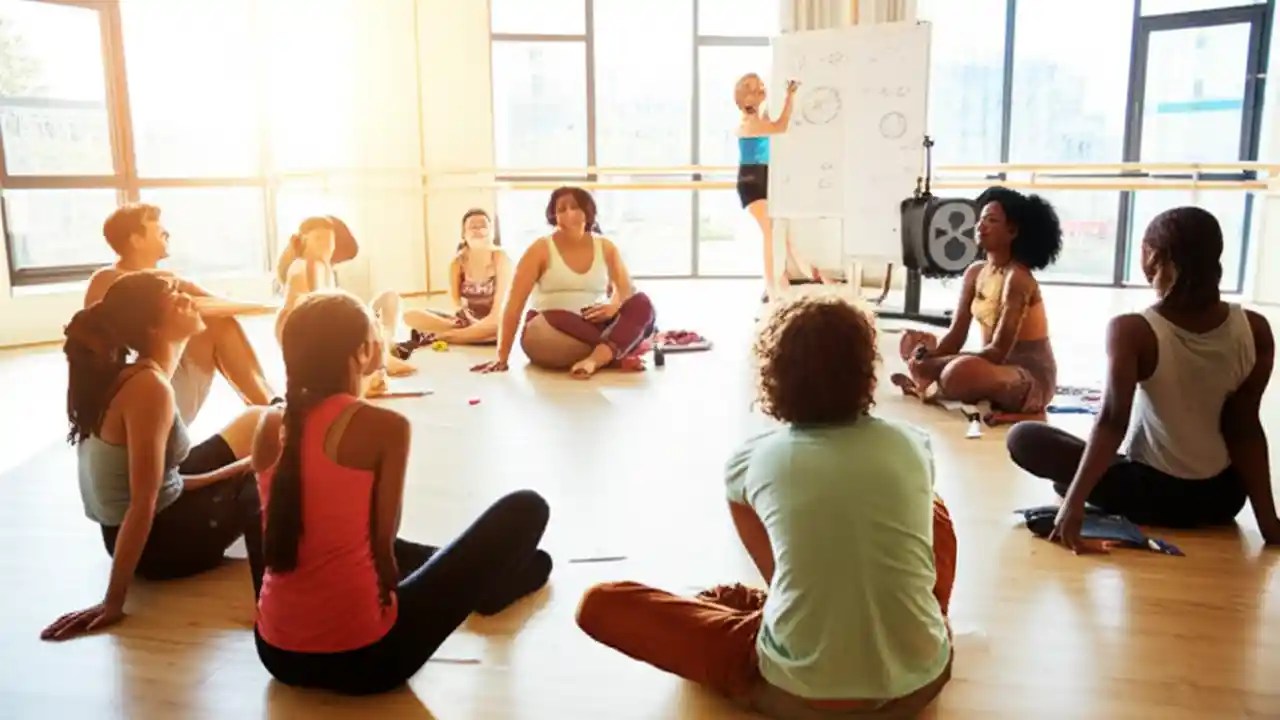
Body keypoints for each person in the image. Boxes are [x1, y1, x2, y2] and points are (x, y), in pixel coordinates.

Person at [576, 295, 957, 716]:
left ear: (773, 376)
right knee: (931, 506)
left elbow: (776, 576)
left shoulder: (750, 461)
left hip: (798, 693)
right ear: (867, 374)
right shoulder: (911, 443)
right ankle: (918, 621)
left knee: (601, 602)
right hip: (922, 680)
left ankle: (775, 621)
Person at [250, 290, 552, 695]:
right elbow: (383, 556)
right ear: (361, 353)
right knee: (528, 509)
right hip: (368, 659)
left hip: (275, 652)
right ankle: (494, 585)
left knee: (349, 538)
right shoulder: (384, 427)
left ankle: (486, 580)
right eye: (375, 327)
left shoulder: (269, 424)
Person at [1006, 207, 1280, 549]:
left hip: (1155, 494)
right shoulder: (1254, 329)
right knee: (1078, 474)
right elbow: (1244, 427)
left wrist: (1075, 504)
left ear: (1155, 256)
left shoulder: (1133, 331)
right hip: (1223, 498)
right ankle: (1085, 486)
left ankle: (1085, 490)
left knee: (1024, 437)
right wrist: (1270, 523)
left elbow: (1111, 421)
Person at [42, 272, 266, 642]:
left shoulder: (138, 375)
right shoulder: (149, 389)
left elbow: (164, 482)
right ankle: (275, 599)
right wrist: (113, 602)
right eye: (174, 295)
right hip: (162, 548)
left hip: (148, 526)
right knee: (268, 468)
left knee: (259, 422)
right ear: (152, 326)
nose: (188, 297)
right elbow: (143, 503)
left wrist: (234, 470)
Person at [84, 203, 276, 426]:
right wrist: (266, 307)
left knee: (220, 323)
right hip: (134, 397)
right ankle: (272, 411)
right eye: (158, 230)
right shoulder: (109, 279)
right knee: (215, 325)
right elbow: (198, 306)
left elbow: (215, 302)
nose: (167, 233)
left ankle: (270, 406)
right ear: (136, 240)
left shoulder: (166, 278)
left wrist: (263, 306)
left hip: (157, 381)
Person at [892, 186, 1063, 422]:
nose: (980, 227)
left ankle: (932, 384)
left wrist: (938, 363)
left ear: (1012, 231)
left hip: (1027, 377)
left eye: (991, 221)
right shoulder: (975, 272)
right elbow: (956, 335)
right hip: (994, 367)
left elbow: (998, 352)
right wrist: (928, 355)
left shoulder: (1018, 279)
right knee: (911, 345)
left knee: (958, 373)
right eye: (980, 220)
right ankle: (929, 380)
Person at [470, 187, 655, 379]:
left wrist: (613, 306)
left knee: (643, 303)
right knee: (553, 319)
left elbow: (625, 291)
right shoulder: (540, 249)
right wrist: (502, 357)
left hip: (594, 324)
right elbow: (514, 304)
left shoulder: (606, 247)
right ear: (554, 216)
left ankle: (594, 359)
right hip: (551, 328)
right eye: (561, 210)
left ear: (587, 211)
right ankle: (618, 352)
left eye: (575, 207)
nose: (568, 214)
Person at [274, 216, 416, 385]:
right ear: (304, 242)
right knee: (361, 321)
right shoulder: (304, 266)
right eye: (318, 239)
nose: (325, 245)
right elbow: (317, 308)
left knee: (389, 299)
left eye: (330, 240)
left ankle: (383, 353)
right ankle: (379, 361)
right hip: (303, 332)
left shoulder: (323, 267)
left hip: (317, 326)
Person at [734, 73, 823, 302]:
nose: (760, 91)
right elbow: (780, 126)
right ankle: (773, 287)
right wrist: (790, 97)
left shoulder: (755, 117)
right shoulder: (750, 122)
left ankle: (788, 279)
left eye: (760, 87)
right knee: (770, 235)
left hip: (761, 177)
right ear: (745, 98)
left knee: (777, 235)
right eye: (754, 89)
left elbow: (769, 118)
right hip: (751, 180)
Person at [401, 208, 511, 348]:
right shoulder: (457, 262)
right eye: (473, 227)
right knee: (409, 315)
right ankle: (465, 335)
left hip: (493, 321)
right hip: (465, 320)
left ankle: (444, 337)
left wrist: (480, 326)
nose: (478, 230)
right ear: (463, 234)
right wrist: (458, 322)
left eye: (483, 226)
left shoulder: (501, 258)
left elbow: (499, 311)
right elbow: (456, 301)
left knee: (498, 327)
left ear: (492, 232)